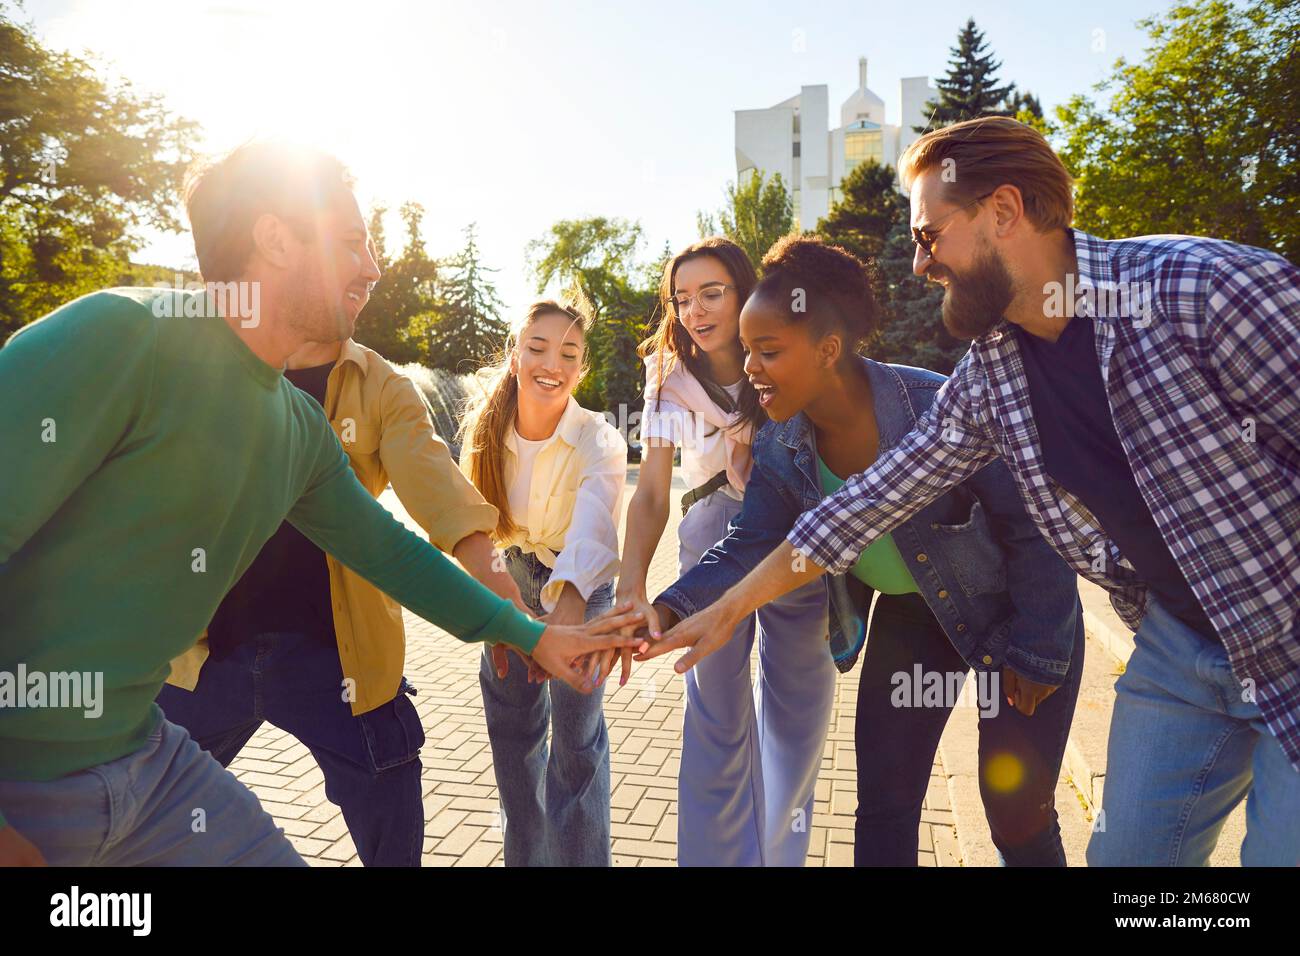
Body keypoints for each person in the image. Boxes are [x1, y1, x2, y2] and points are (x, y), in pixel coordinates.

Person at [643, 116, 1300, 867]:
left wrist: (1039, 648)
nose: (922, 264)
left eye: (930, 236)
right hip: (1181, 650)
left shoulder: (1200, 290)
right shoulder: (993, 373)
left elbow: (1028, 539)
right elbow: (862, 506)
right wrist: (716, 609)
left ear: (1005, 212)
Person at [0, 141, 643, 867]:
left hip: (145, 764)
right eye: (349, 244)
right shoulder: (118, 337)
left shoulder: (296, 426)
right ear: (274, 239)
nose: (372, 267)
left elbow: (388, 548)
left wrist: (527, 634)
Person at [643, 234, 1084, 865]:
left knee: (1016, 815)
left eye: (768, 351)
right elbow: (752, 544)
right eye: (747, 351)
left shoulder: (934, 407)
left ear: (827, 350)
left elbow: (1031, 525)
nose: (749, 369)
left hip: (1013, 616)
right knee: (883, 801)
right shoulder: (781, 443)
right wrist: (666, 612)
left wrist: (1041, 649)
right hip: (914, 618)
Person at [155, 229, 527, 867]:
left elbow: (447, 503)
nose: (374, 268)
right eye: (352, 246)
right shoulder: (200, 362)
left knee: (394, 833)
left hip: (339, 658)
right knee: (137, 812)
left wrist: (508, 605)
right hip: (201, 654)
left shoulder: (379, 385)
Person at [617, 237, 832, 866]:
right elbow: (652, 490)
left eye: (713, 292)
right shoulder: (667, 370)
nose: (696, 310)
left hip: (792, 538)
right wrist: (632, 586)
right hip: (710, 532)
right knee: (716, 711)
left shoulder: (780, 347)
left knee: (796, 707)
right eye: (683, 298)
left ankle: (777, 859)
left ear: (744, 291)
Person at [459, 293, 628, 866]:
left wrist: (565, 615)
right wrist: (504, 612)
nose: (551, 363)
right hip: (509, 578)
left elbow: (594, 528)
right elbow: (471, 530)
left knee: (577, 748)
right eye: (537, 348)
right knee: (513, 739)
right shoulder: (483, 433)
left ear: (582, 369)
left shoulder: (599, 438)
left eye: (568, 353)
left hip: (580, 587)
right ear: (514, 356)